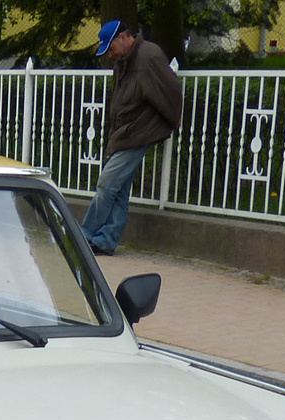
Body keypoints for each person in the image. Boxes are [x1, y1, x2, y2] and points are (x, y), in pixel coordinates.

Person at [82, 21, 181, 256]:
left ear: (124, 38)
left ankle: (83, 236)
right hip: (126, 132)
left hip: (137, 133)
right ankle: (106, 241)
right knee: (118, 190)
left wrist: (167, 124)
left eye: (110, 48)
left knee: (106, 184)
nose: (109, 55)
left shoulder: (148, 56)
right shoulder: (125, 61)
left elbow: (171, 93)